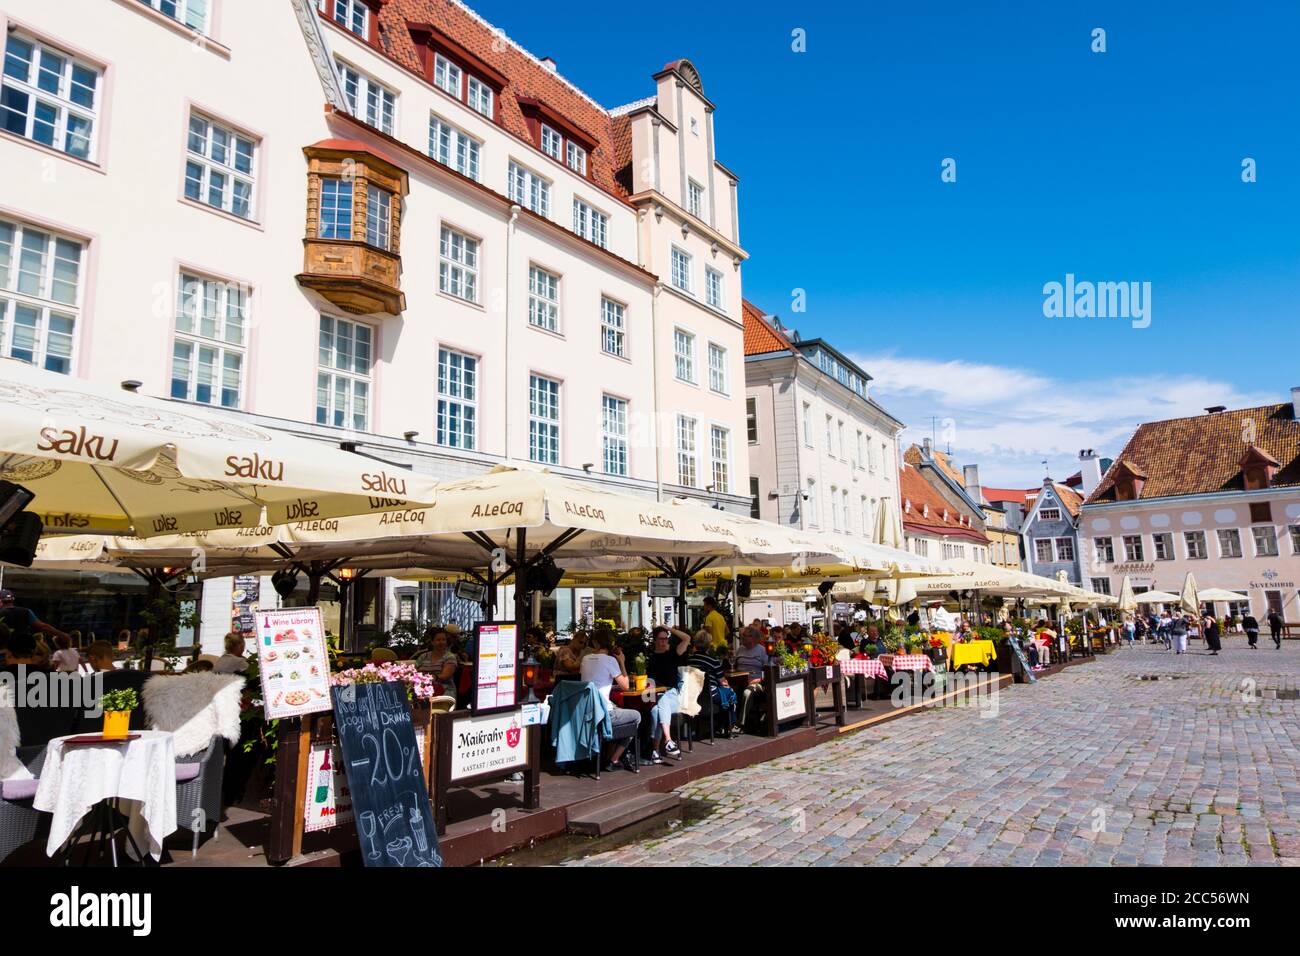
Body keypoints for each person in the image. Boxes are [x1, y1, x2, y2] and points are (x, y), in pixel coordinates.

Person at [579, 629, 640, 771]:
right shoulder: (610, 660)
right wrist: (622, 662)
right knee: (637, 716)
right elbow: (625, 686)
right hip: (603, 713)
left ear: (595, 643)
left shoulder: (585, 659)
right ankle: (614, 758)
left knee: (618, 709)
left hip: (587, 711)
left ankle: (607, 754)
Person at [645, 625, 691, 762]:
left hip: (672, 694)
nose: (664, 641)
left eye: (666, 639)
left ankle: (665, 742)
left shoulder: (673, 654)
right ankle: (657, 750)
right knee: (655, 711)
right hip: (654, 694)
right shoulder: (650, 658)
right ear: (654, 641)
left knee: (663, 700)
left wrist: (668, 628)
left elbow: (687, 638)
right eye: (661, 639)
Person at [687, 630, 735, 737]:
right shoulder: (712, 660)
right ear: (708, 645)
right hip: (709, 696)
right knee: (730, 693)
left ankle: (719, 726)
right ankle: (729, 726)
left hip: (693, 696)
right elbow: (722, 681)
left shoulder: (689, 660)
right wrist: (727, 685)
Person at [733, 626, 770, 729]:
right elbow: (734, 665)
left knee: (747, 692)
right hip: (740, 680)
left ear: (753, 638)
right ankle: (729, 720)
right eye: (742, 636)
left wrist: (758, 680)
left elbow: (768, 671)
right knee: (729, 691)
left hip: (757, 682)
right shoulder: (740, 649)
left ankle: (740, 724)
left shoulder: (762, 651)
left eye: (745, 636)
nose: (742, 638)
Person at [0, 589, 68, 644]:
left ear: (0, 601)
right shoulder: (26, 612)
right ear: (12, 600)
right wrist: (62, 635)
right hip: (22, 649)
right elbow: (43, 627)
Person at [420, 627, 458, 695]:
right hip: (423, 690)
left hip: (444, 692)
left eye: (443, 640)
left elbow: (445, 675)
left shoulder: (450, 657)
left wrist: (434, 677)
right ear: (432, 642)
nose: (441, 642)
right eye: (438, 640)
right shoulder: (423, 656)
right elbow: (414, 671)